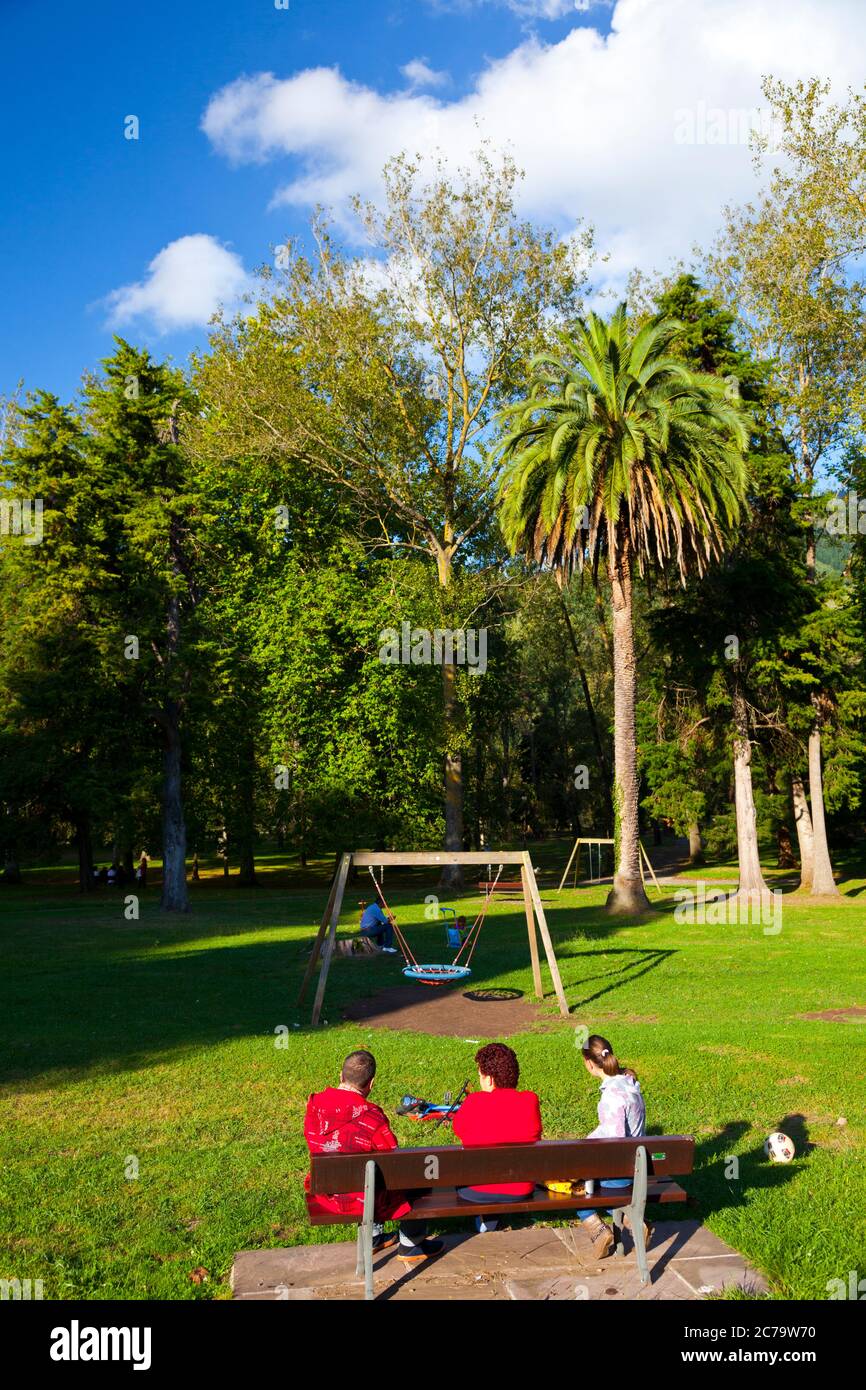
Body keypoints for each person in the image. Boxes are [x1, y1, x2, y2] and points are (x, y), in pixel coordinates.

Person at [304, 1049, 443, 1265]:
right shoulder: (372, 1118)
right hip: (363, 1200)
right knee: (416, 1175)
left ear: (341, 1076)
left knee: (370, 1175)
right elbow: (393, 1163)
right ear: (372, 1083)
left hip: (328, 1194)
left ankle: (374, 1236)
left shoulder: (314, 1106)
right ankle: (411, 1243)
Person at [452, 1042, 542, 1233]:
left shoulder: (474, 1101)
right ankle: (489, 1221)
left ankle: (485, 1221)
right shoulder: (530, 1100)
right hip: (521, 1189)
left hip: (476, 1190)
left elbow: (458, 1129)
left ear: (490, 1079)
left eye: (480, 1076)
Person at [576, 1033, 649, 1258]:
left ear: (589, 1063)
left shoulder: (611, 1096)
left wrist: (583, 1148)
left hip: (621, 1172)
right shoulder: (629, 1083)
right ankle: (630, 1220)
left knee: (577, 1188)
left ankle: (600, 1231)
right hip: (639, 1166)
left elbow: (614, 1145)